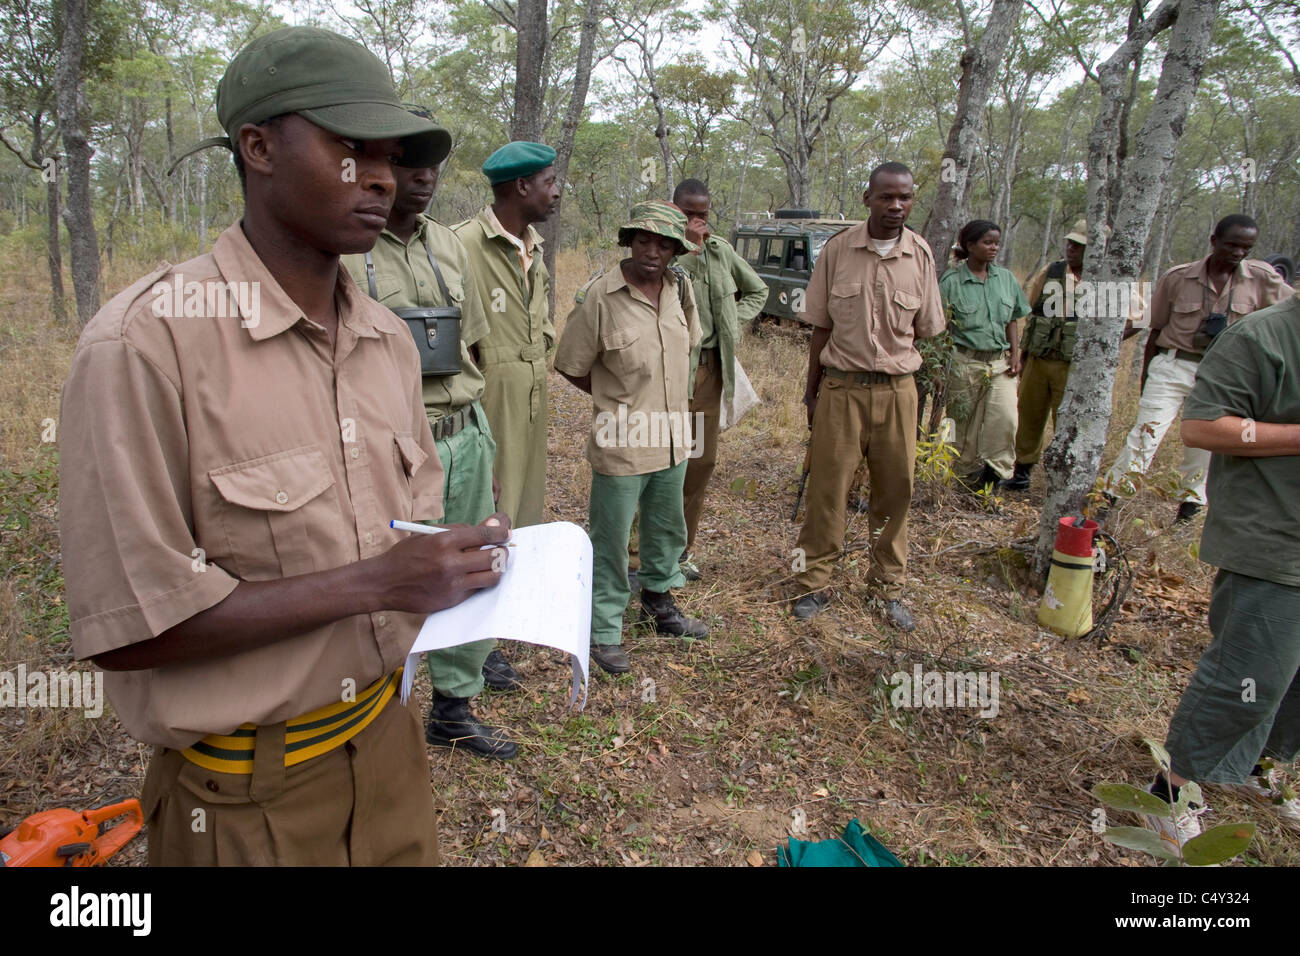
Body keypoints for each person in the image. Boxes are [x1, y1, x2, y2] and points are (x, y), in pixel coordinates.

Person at [58, 27, 512, 866]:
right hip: (245, 806)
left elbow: (402, 546)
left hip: (389, 756)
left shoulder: (387, 341)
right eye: (350, 147)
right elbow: (127, 630)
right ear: (258, 147)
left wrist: (459, 568)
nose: (381, 175)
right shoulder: (146, 345)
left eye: (393, 152)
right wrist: (375, 582)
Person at [341, 112, 521, 761]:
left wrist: (486, 442)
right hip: (393, 444)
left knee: (475, 564)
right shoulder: (346, 248)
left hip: (463, 430)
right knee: (390, 576)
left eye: (433, 166)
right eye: (407, 162)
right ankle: (374, 704)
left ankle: (455, 704)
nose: (421, 177)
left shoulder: (450, 245)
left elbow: (471, 346)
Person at [1140, 290, 1300, 849]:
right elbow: (1203, 428)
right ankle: (1169, 791)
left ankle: (1260, 768)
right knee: (1253, 672)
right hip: (1274, 535)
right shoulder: (1262, 336)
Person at [789, 162, 945, 632]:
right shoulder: (837, 251)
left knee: (896, 493)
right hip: (842, 389)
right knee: (828, 492)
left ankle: (886, 589)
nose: (895, 206)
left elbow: (928, 332)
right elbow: (821, 327)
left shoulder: (920, 256)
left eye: (904, 198)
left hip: (898, 392)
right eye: (886, 197)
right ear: (868, 198)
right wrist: (812, 393)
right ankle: (813, 583)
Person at [554, 200, 708, 674]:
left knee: (667, 530)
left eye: (664, 245)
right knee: (612, 538)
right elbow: (572, 365)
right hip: (622, 438)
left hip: (673, 437)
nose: (652, 252)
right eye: (644, 240)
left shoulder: (681, 290)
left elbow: (693, 346)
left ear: (675, 252)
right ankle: (603, 630)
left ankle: (659, 604)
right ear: (630, 241)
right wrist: (616, 401)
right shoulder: (601, 295)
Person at [1103, 214, 1290, 522]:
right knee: (1146, 434)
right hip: (1174, 365)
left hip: (1225, 375)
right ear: (1214, 241)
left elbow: (1289, 314)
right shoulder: (1178, 277)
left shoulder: (1262, 278)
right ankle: (1110, 498)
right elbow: (1155, 329)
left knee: (1205, 444)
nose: (1238, 253)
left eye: (1247, 247)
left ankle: (1189, 509)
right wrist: (1147, 376)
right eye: (1232, 245)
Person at [452, 142, 560, 528]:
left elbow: (542, 319)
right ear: (522, 186)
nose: (557, 191)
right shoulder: (461, 245)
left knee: (528, 498)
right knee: (490, 500)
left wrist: (541, 345)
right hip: (487, 393)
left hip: (532, 387)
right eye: (549, 182)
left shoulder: (534, 247)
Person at [672, 178, 768, 581]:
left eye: (703, 215)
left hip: (711, 373)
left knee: (700, 462)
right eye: (688, 214)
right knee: (659, 461)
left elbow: (757, 291)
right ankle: (638, 554)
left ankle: (680, 551)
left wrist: (732, 325)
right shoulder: (663, 250)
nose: (697, 222)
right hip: (670, 373)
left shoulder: (722, 251)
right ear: (674, 210)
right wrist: (687, 248)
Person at [937, 219, 1029, 491]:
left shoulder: (1005, 279)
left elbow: (1012, 319)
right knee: (958, 425)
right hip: (963, 363)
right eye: (987, 242)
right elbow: (940, 327)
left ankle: (994, 479)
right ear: (970, 245)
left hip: (1000, 363)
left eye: (996, 243)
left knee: (1006, 419)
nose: (993, 248)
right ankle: (959, 479)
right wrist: (940, 368)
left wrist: (1016, 353)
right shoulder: (952, 281)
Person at [1004, 219, 1088, 491]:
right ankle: (1021, 472)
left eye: (1080, 245)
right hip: (1040, 359)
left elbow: (1136, 318)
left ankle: (1065, 479)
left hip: (1074, 366)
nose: (1071, 248)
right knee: (1028, 414)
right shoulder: (1051, 271)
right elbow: (1029, 311)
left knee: (1068, 422)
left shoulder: (1107, 278)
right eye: (1070, 242)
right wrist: (1022, 355)